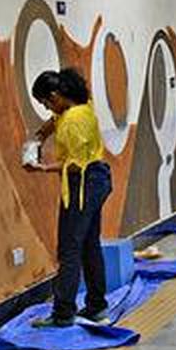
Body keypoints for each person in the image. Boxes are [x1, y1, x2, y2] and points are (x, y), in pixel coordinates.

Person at [25, 69, 113, 327]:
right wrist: (41, 135)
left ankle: (63, 312)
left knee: (70, 247)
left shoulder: (73, 121)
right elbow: (56, 119)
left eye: (46, 102)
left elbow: (75, 165)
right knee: (89, 244)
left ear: (55, 96)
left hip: (83, 181)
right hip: (98, 178)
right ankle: (97, 306)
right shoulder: (82, 106)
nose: (47, 108)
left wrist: (42, 168)